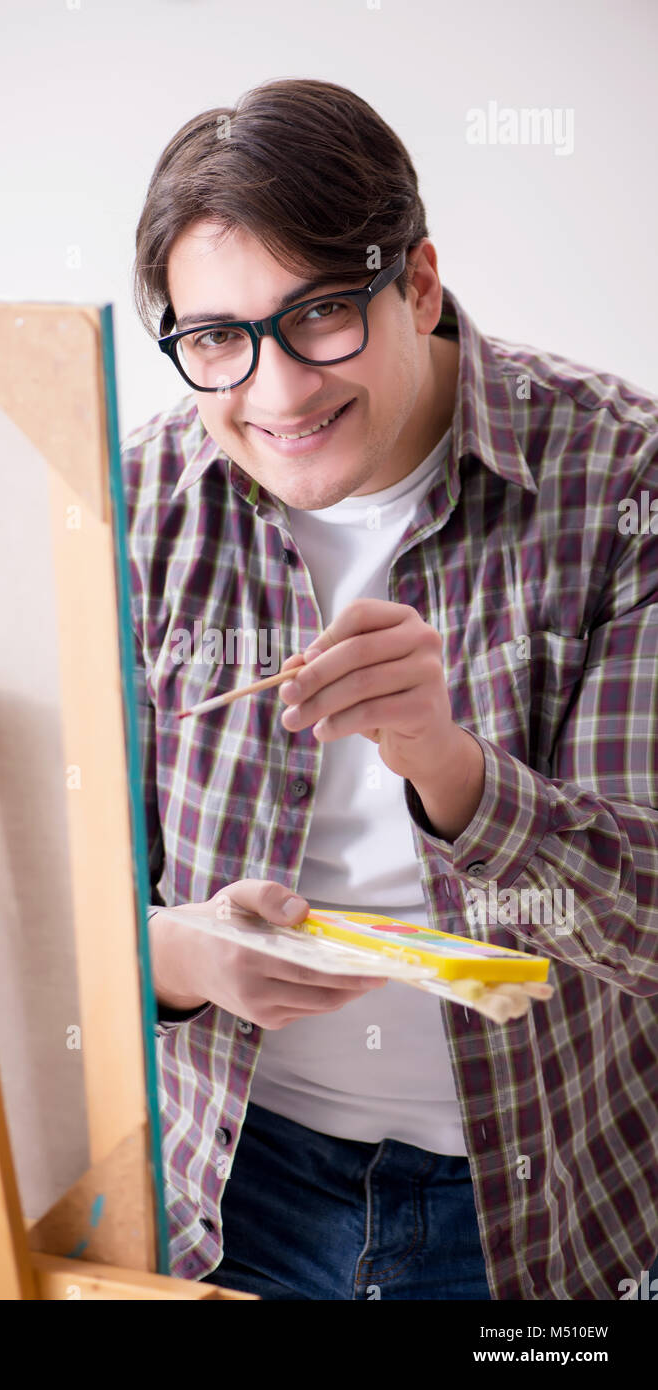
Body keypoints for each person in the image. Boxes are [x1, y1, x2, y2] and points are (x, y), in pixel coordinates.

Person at [122, 77, 658, 1300]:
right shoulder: (138, 502)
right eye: (216, 339)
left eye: (318, 316)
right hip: (224, 1189)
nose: (276, 393)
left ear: (415, 282)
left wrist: (449, 766)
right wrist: (172, 955)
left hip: (543, 1205)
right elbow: (36, 909)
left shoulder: (626, 478)